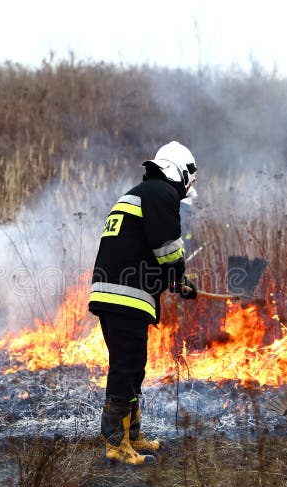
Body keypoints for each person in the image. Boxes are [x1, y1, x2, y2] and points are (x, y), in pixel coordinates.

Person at [88, 141, 199, 466]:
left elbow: (140, 251)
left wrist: (174, 281)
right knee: (125, 367)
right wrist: (178, 273)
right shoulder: (161, 194)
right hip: (126, 296)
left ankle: (130, 434)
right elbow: (167, 247)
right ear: (180, 173)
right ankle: (116, 443)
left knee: (133, 365)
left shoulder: (140, 192)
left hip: (115, 293)